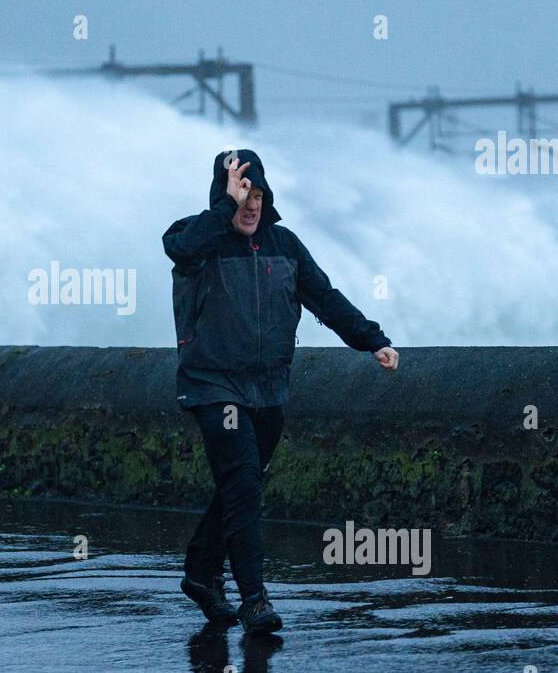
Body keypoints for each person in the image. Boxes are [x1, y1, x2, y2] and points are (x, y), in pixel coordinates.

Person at [162, 149, 399, 634]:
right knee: (244, 483)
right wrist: (222, 209)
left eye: (257, 195)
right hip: (213, 385)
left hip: (268, 389)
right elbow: (183, 252)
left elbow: (324, 297)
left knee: (240, 484)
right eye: (241, 194)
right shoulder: (196, 239)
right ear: (224, 196)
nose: (250, 205)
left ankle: (201, 573)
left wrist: (372, 340)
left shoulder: (284, 244)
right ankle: (254, 598)